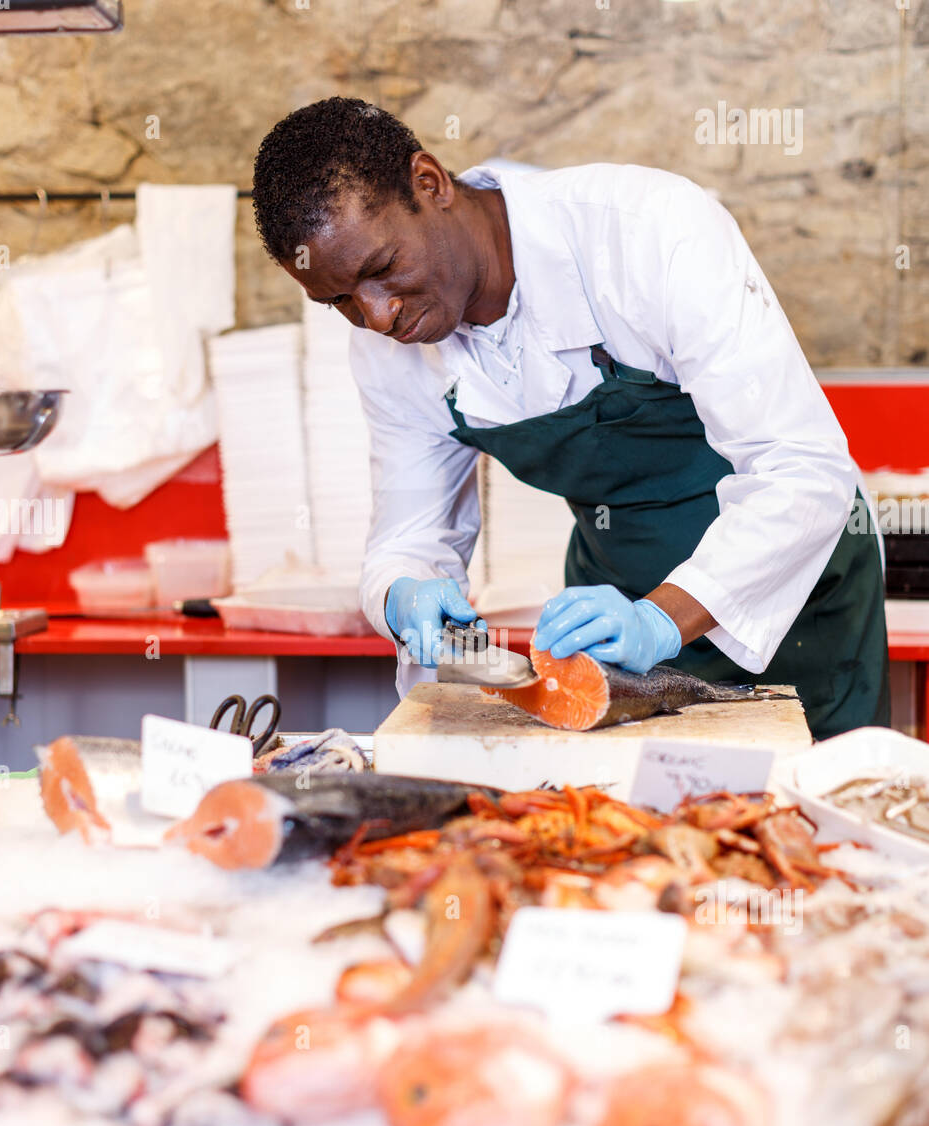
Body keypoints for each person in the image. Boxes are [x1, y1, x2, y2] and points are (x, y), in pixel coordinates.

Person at [252, 97, 889, 739]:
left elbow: (801, 468)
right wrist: (403, 593)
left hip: (791, 600)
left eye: (383, 268)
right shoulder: (389, 354)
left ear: (430, 182)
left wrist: (659, 620)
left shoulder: (649, 230)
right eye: (340, 301)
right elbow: (410, 535)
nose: (378, 316)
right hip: (608, 618)